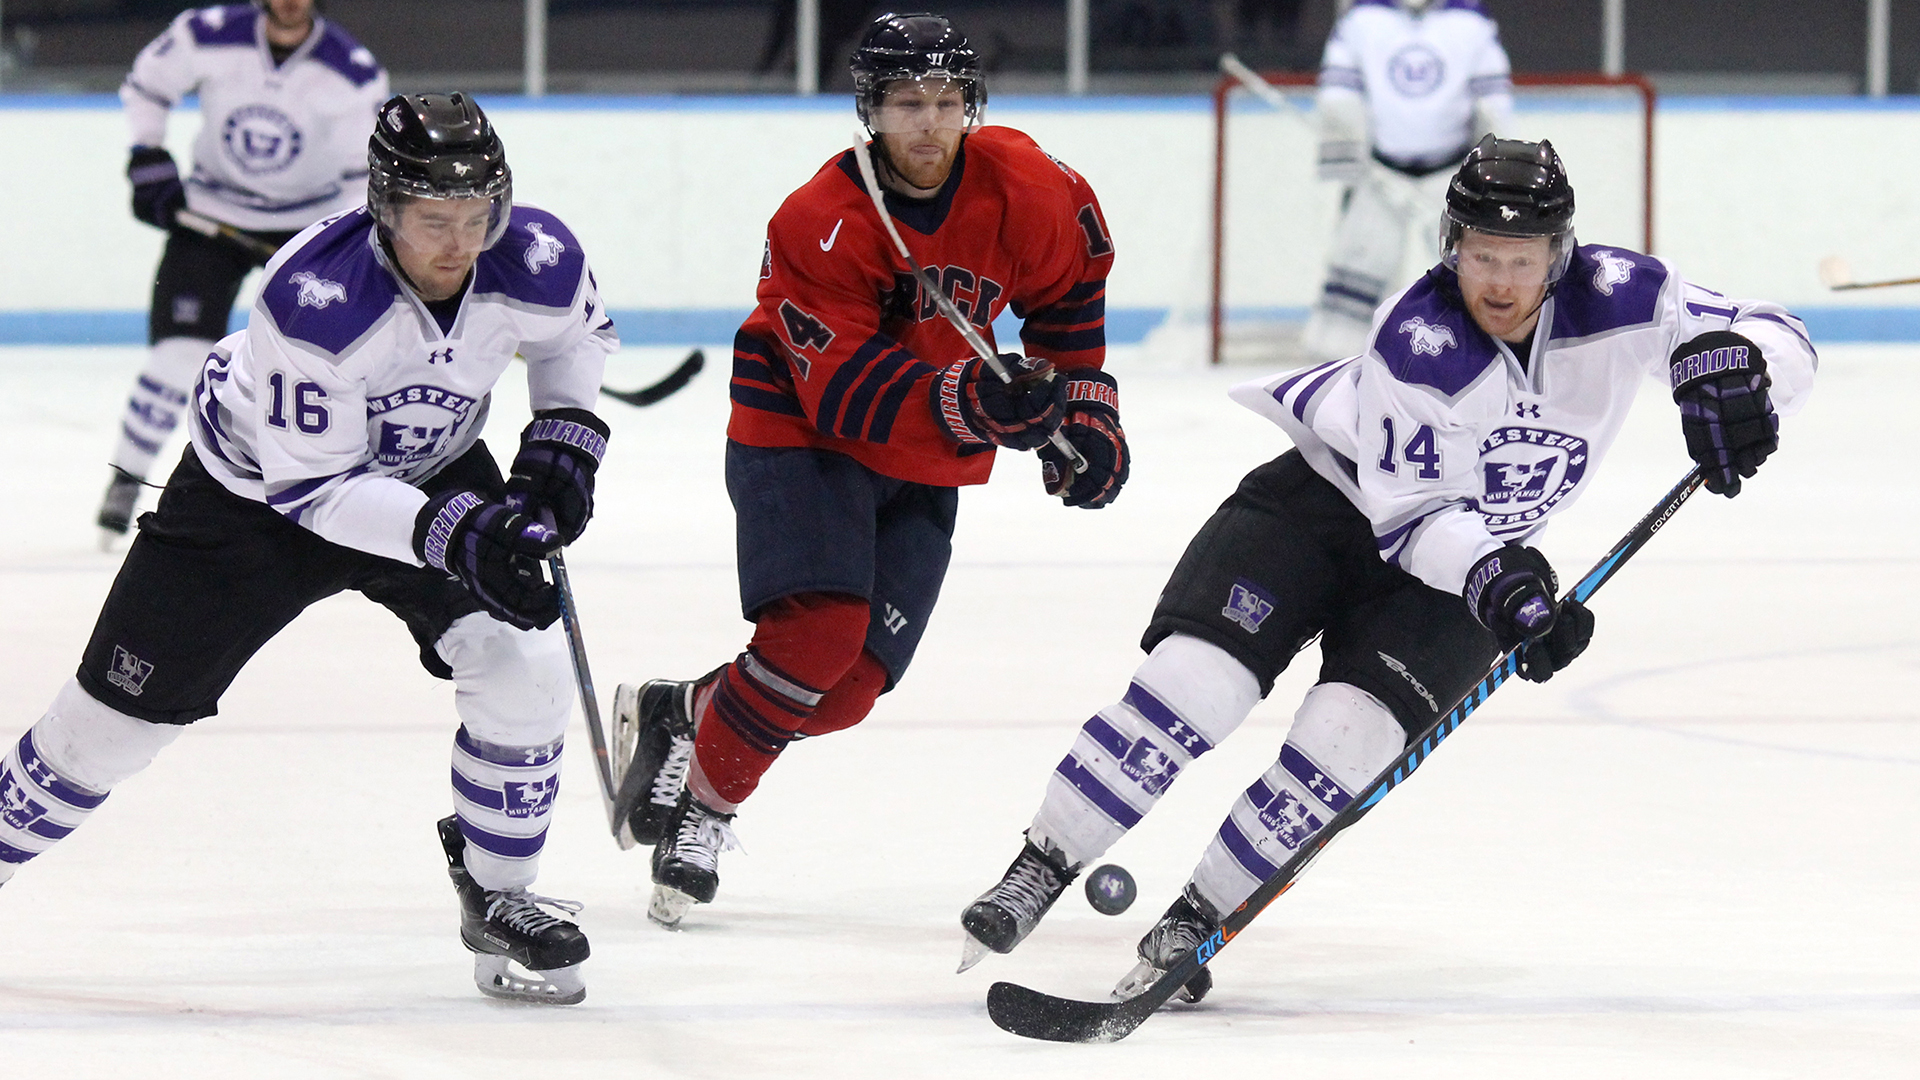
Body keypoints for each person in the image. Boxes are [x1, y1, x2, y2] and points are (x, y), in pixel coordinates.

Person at [958, 137, 1816, 1005]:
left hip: (1470, 566)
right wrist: (1510, 590)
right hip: (1323, 515)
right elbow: (1415, 523)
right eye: (1482, 255)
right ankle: (1039, 866)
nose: (1502, 282)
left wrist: (1738, 377)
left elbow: (1775, 332)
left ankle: (1199, 915)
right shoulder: (1419, 336)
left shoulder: (1621, 291)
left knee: (1344, 744)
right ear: (1452, 244)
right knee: (1193, 686)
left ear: (1561, 255)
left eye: (1522, 259)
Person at [0, 92, 618, 1006]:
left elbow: (574, 340)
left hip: (432, 465)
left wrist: (566, 436)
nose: (457, 242)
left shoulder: (537, 255)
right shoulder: (316, 299)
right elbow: (316, 491)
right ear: (383, 207)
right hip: (251, 505)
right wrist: (458, 532)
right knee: (109, 733)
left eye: (476, 215)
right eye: (430, 219)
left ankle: (500, 895)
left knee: (524, 659)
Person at [606, 11, 1127, 930]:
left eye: (946, 101)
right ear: (870, 111)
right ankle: (707, 811)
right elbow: (843, 393)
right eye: (905, 103)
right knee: (813, 643)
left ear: (972, 105)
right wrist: (979, 402)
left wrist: (1083, 409)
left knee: (846, 692)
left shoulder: (1032, 186)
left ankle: (682, 710)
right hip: (799, 431)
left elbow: (1070, 289)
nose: (928, 123)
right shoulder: (821, 221)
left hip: (924, 451)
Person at [100, 0, 389, 545]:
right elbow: (148, 85)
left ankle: (330, 492)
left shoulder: (352, 69)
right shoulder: (208, 33)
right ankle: (124, 477)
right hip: (209, 219)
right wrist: (147, 154)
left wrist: (339, 246)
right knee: (177, 356)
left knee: (313, 370)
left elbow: (361, 178)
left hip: (304, 232)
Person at [1301, 0, 1512, 362]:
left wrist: (1489, 174)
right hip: (1380, 174)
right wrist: (1352, 162)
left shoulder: (1470, 21)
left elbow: (1492, 105)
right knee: (1359, 262)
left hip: (1451, 176)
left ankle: (1481, 354)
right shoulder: (1361, 19)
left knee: (1469, 268)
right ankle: (1337, 361)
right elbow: (1339, 96)